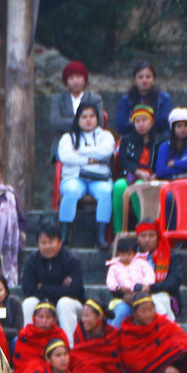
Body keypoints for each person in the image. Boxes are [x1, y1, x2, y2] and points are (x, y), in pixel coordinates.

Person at [56, 103, 116, 242]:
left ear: (97, 118)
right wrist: (91, 160)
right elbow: (65, 156)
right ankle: (64, 236)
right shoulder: (68, 137)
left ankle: (101, 236)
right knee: (71, 191)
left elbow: (106, 152)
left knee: (105, 192)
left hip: (99, 178)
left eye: (92, 116)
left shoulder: (106, 135)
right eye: (84, 117)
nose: (88, 120)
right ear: (78, 119)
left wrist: (81, 151)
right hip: (74, 177)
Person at [20, 226, 86, 336]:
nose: (47, 246)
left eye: (51, 242)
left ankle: (69, 346)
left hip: (72, 305)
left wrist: (43, 287)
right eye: (43, 243)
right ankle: (29, 340)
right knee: (29, 303)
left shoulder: (72, 261)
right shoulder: (32, 261)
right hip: (42, 303)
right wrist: (61, 289)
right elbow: (28, 290)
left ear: (60, 242)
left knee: (64, 303)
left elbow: (73, 292)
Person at [112, 106, 161, 233]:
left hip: (152, 179)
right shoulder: (127, 139)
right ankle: (119, 232)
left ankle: (146, 230)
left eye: (144, 120)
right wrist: (137, 172)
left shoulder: (160, 141)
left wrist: (154, 175)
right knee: (118, 186)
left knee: (139, 187)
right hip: (131, 176)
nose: (141, 124)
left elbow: (161, 163)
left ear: (152, 121)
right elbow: (123, 161)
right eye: (137, 121)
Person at [47, 62, 105, 156]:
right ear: (66, 81)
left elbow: (99, 122)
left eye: (78, 77)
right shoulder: (58, 99)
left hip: (90, 143)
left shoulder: (95, 99)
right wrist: (83, 122)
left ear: (85, 79)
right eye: (71, 78)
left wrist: (70, 123)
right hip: (63, 144)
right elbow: (55, 123)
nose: (75, 81)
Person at [106, 234, 165, 326]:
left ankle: (166, 328)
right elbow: (110, 281)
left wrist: (145, 285)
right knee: (121, 311)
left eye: (129, 254)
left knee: (158, 307)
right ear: (118, 254)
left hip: (143, 294)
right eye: (122, 254)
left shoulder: (141, 262)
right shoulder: (114, 267)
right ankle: (112, 334)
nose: (125, 257)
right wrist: (119, 288)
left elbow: (150, 274)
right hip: (124, 297)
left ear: (134, 253)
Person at [135, 223, 184, 321]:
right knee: (121, 310)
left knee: (157, 305)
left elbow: (174, 283)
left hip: (163, 295)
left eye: (151, 235)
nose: (147, 240)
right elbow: (116, 281)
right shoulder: (130, 256)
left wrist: (150, 288)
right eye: (143, 236)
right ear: (137, 239)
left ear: (158, 237)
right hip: (134, 297)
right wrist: (125, 293)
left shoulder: (171, 256)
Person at [114, 61, 173, 137]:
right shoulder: (126, 100)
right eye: (140, 77)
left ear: (153, 79)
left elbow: (165, 122)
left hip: (158, 135)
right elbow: (121, 126)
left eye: (148, 77)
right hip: (132, 136)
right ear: (135, 80)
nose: (144, 80)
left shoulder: (164, 98)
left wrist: (136, 122)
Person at [13, 301, 70, 371]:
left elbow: (65, 361)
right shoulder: (25, 334)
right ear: (33, 318)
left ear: (54, 320)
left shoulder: (59, 335)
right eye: (40, 316)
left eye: (48, 317)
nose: (44, 321)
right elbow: (19, 363)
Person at [154, 108, 187, 181]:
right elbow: (160, 171)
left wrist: (174, 164)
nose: (183, 129)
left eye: (186, 126)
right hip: (171, 186)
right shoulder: (165, 147)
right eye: (179, 126)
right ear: (172, 128)